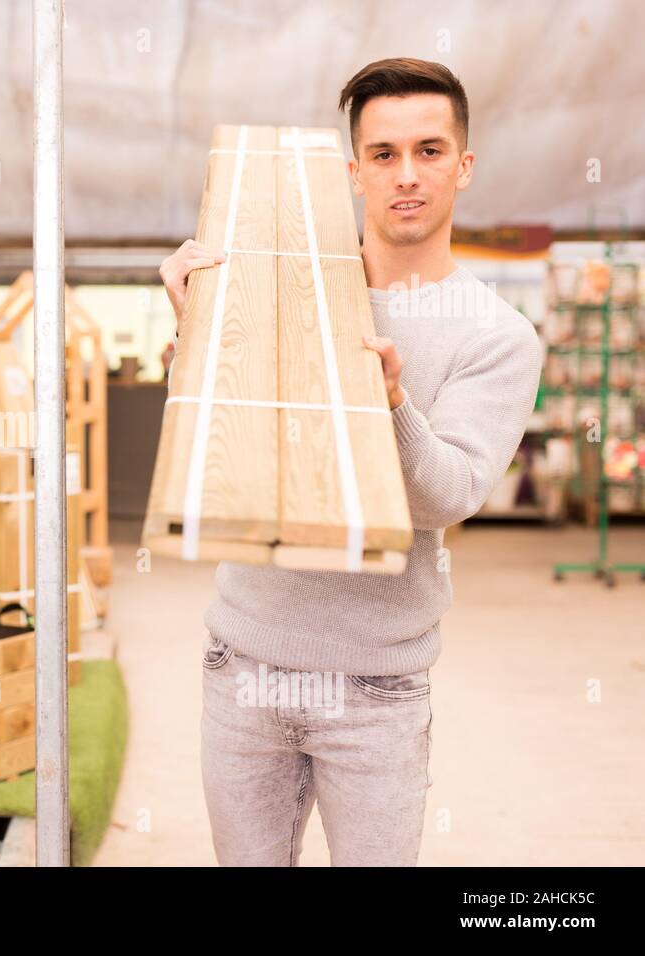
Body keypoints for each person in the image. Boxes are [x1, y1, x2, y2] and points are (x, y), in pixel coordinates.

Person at [158, 57, 544, 866]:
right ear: (354, 171)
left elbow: (450, 495)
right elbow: (225, 440)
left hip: (375, 691)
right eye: (384, 154)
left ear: (463, 166)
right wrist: (199, 336)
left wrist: (393, 402)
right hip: (244, 668)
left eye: (430, 151)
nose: (406, 175)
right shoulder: (276, 282)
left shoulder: (495, 336)